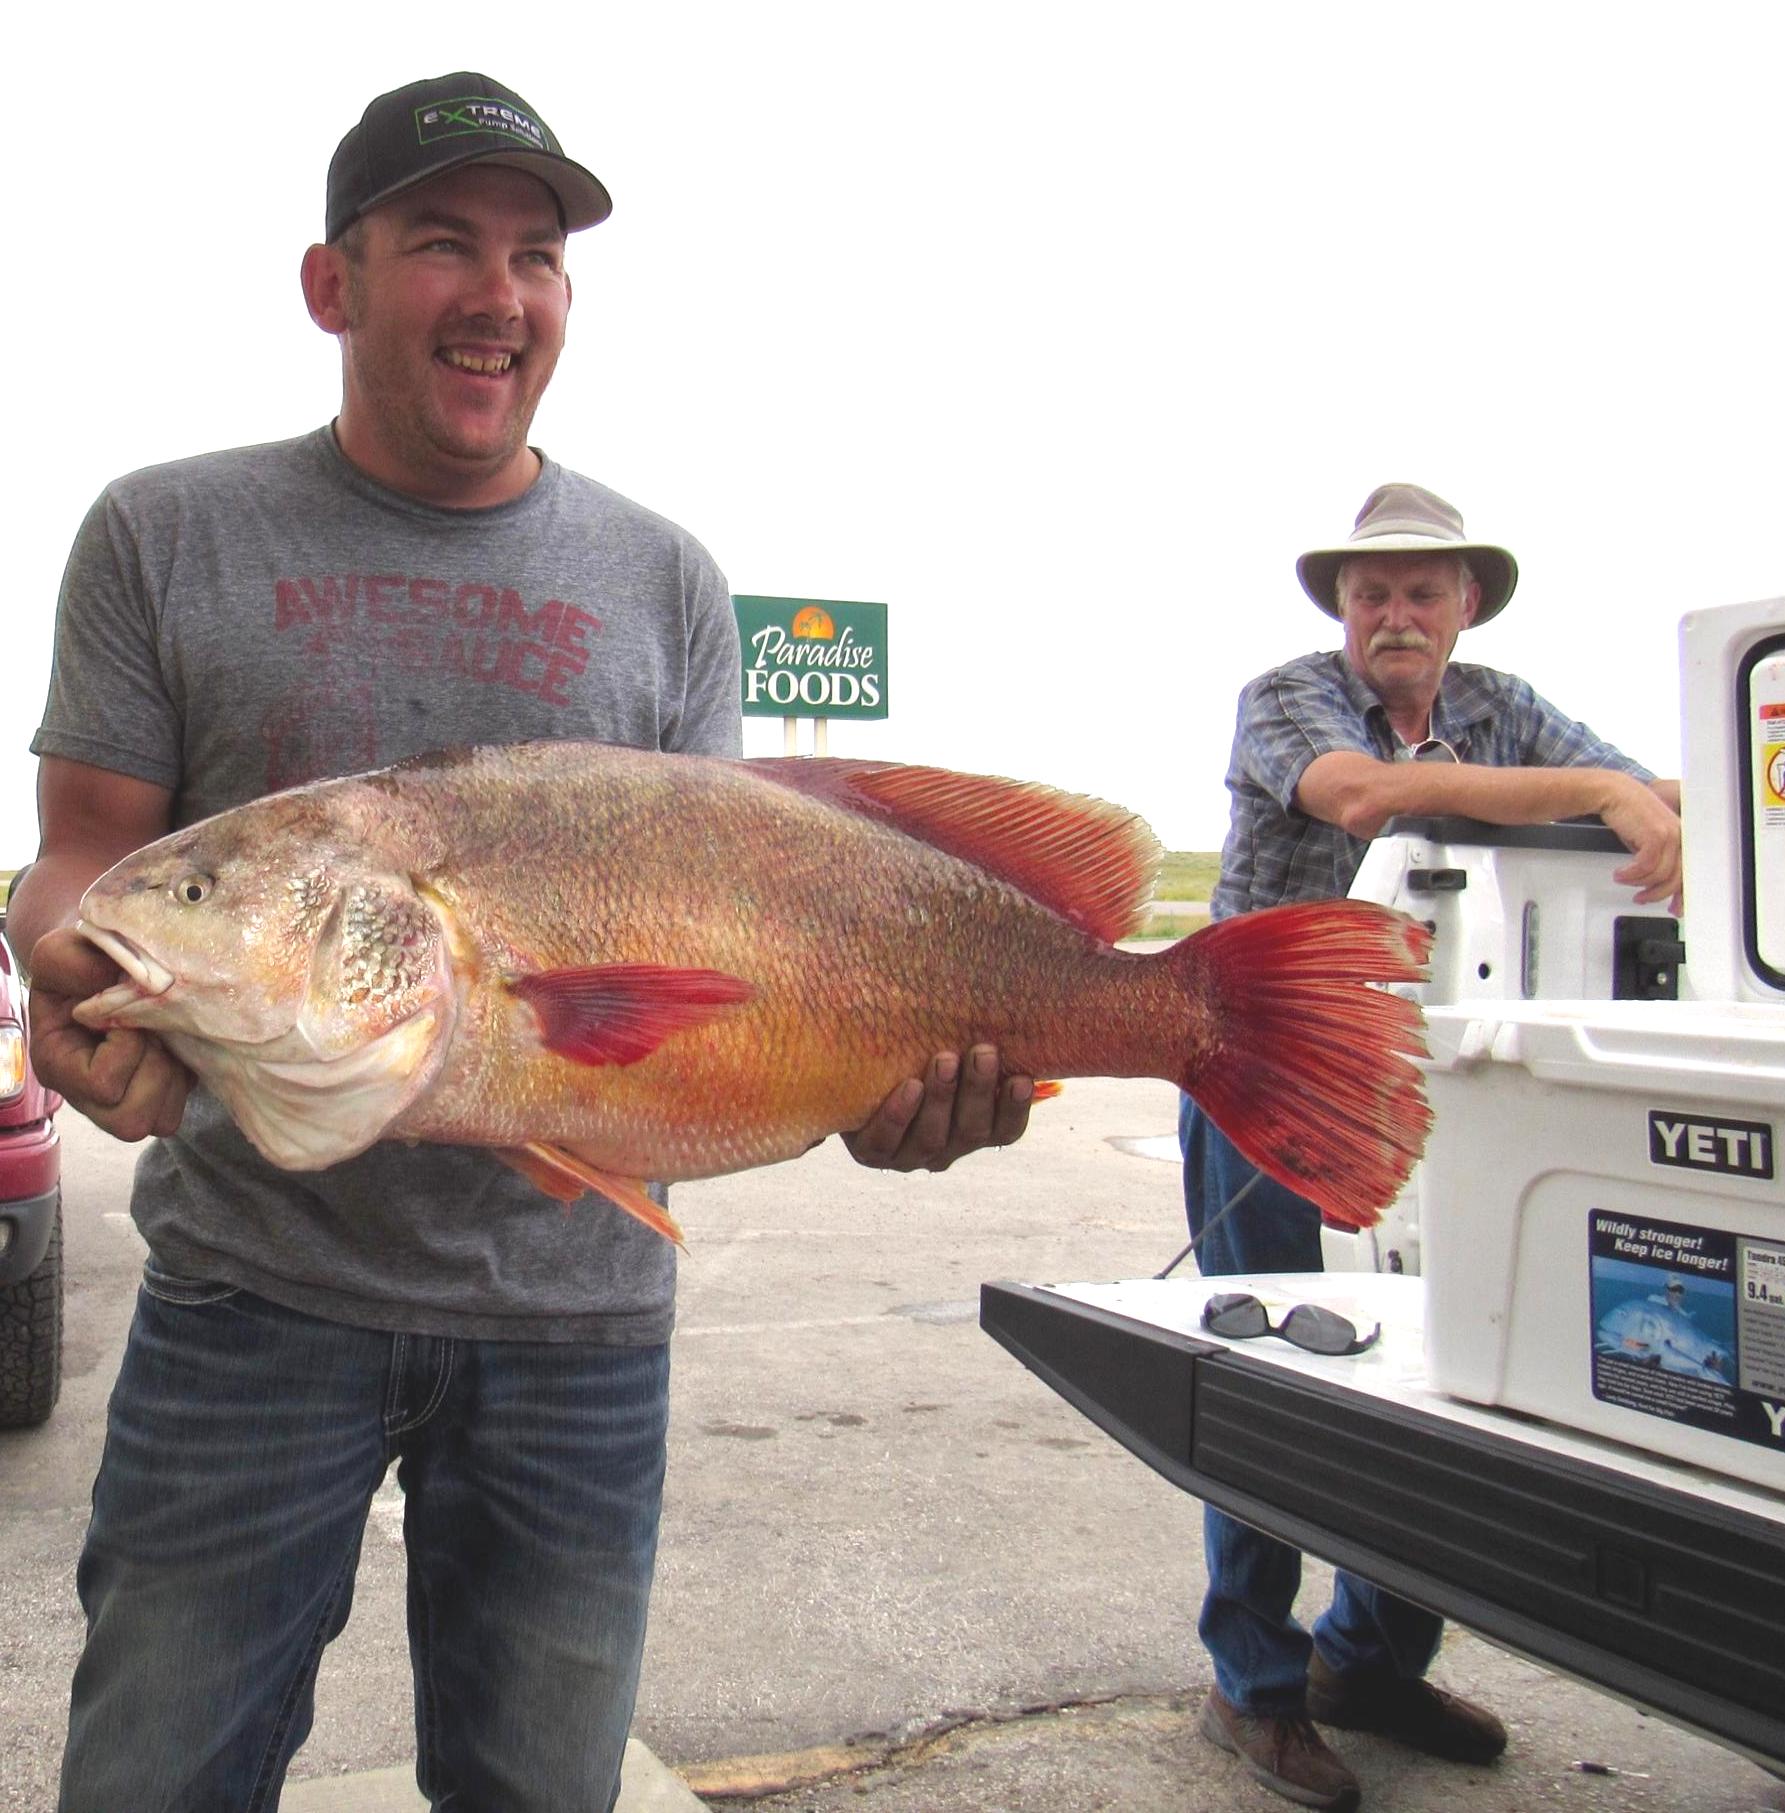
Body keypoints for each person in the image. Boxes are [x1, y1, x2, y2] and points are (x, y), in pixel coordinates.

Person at [13, 73, 1032, 1813]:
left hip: (578, 1329)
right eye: (442, 245)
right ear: (334, 284)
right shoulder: (159, 532)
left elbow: (734, 937)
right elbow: (92, 863)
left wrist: (877, 1072)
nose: (500, 294)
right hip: (252, 1296)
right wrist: (68, 976)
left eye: (537, 255)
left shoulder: (670, 577)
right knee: (152, 1776)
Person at [1183, 481, 1682, 1811]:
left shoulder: (1505, 706)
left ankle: (1372, 1656)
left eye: (1422, 590)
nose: (1396, 615)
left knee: (1449, 1347)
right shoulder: (1286, 698)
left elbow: (1640, 783)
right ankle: (1257, 1683)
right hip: (1254, 1063)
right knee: (1271, 1355)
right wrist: (1598, 790)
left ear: (1467, 604)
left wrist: (1698, 804)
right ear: (1342, 609)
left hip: (1419, 1067)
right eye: (1372, 593)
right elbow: (1362, 799)